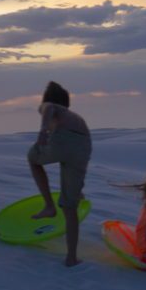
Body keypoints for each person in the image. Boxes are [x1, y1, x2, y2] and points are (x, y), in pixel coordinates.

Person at [28, 81, 92, 267]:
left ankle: (49, 206)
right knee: (69, 206)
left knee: (33, 158)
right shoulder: (76, 117)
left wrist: (43, 131)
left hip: (62, 140)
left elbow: (48, 108)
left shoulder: (50, 106)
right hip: (84, 144)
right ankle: (71, 257)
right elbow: (81, 153)